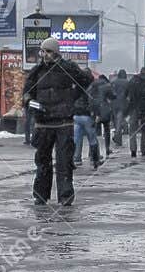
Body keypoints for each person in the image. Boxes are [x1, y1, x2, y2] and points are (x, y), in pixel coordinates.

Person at [21, 36, 94, 207]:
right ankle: (40, 195)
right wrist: (32, 103)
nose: (45, 54)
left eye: (48, 51)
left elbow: (87, 80)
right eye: (43, 51)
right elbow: (26, 93)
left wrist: (72, 99)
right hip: (43, 123)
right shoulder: (37, 71)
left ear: (56, 52)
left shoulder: (68, 68)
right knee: (42, 161)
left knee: (64, 162)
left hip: (63, 122)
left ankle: (65, 195)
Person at [124, 66, 145, 158]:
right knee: (144, 130)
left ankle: (133, 150)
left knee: (132, 130)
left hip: (133, 108)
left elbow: (126, 93)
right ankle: (143, 150)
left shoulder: (133, 80)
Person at [73, 76, 104, 170]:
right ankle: (95, 159)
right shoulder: (92, 88)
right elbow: (95, 102)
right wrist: (97, 114)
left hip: (76, 115)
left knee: (76, 139)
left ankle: (76, 158)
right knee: (92, 139)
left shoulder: (76, 87)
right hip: (87, 116)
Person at [93, 72, 118, 154]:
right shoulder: (107, 86)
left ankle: (93, 152)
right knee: (107, 130)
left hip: (95, 110)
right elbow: (113, 96)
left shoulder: (93, 85)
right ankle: (107, 149)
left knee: (94, 132)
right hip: (105, 110)